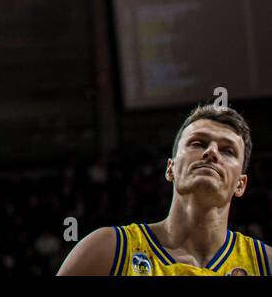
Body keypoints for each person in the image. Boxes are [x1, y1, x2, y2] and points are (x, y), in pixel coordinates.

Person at [59, 103, 268, 275]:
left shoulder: (264, 264)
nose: (211, 152)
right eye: (197, 143)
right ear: (171, 168)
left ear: (241, 184)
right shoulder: (108, 249)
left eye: (228, 150)